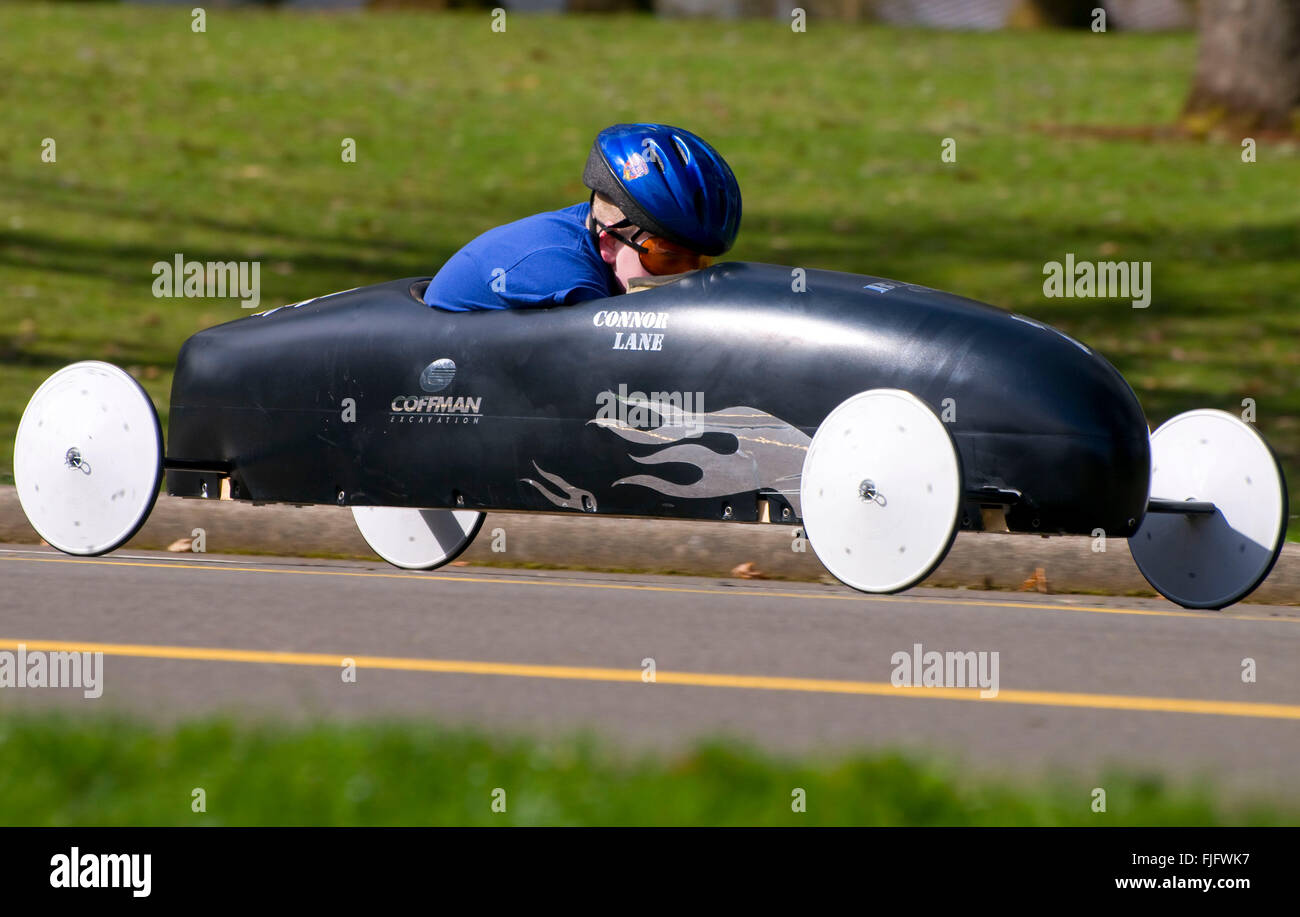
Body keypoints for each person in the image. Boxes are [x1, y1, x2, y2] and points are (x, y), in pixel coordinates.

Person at [423, 123, 742, 311]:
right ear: (608, 242)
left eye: (701, 263)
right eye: (668, 258)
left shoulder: (600, 238)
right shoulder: (559, 275)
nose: (689, 277)